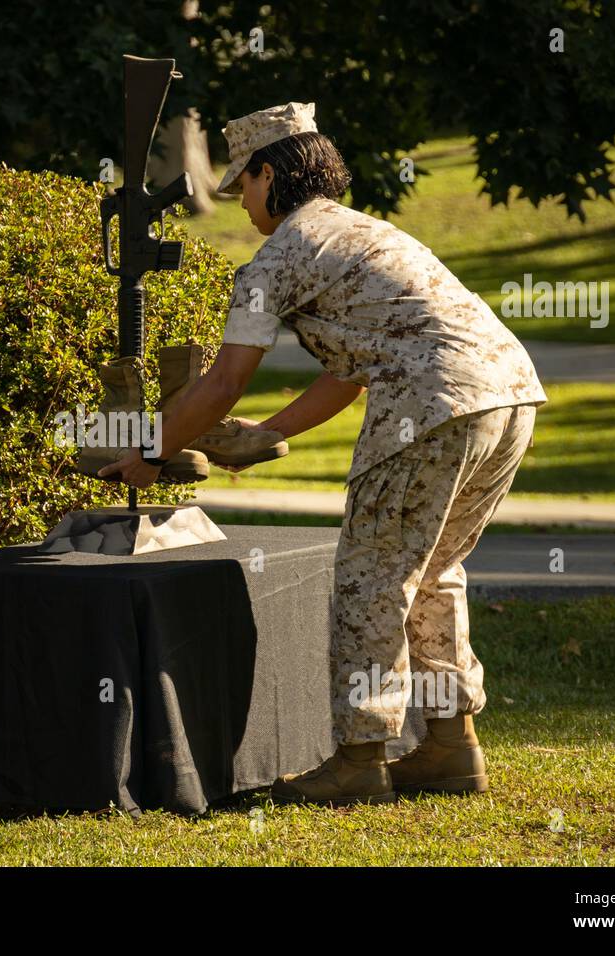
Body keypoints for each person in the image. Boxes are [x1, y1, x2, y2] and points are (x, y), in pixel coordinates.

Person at [98, 101, 548, 806]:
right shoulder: (363, 235)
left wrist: (149, 450)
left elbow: (222, 381)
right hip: (508, 396)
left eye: (241, 186)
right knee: (433, 572)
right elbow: (347, 371)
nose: (242, 206)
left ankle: (360, 760)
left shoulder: (274, 260)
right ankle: (450, 747)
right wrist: (269, 432)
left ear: (268, 173)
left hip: (430, 406)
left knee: (371, 579)